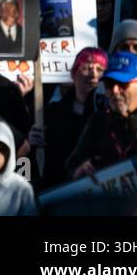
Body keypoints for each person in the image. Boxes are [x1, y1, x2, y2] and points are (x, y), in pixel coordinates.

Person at [65, 51, 137, 183]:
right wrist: (78, 172)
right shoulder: (99, 121)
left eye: (123, 84)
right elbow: (72, 165)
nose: (115, 90)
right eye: (109, 84)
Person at [40, 47, 107, 188]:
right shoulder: (51, 114)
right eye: (87, 67)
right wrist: (31, 145)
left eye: (100, 70)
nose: (94, 75)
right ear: (74, 73)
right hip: (58, 192)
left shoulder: (110, 115)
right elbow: (26, 163)